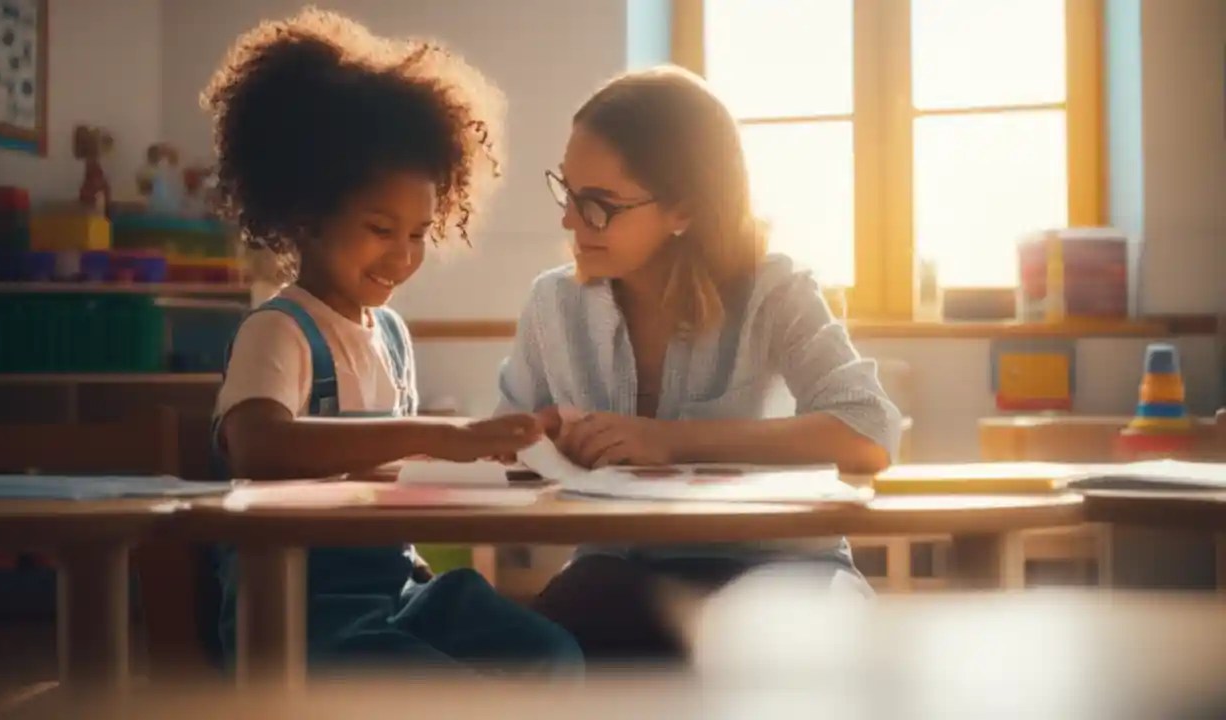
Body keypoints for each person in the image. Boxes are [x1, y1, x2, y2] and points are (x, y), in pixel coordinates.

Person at [204, 8, 580, 675]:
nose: (404, 256)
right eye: (381, 228)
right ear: (306, 215)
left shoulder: (394, 338)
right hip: (298, 613)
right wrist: (428, 433)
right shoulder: (278, 329)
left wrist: (505, 452)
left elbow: (392, 472)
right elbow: (258, 445)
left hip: (394, 593)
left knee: (551, 656)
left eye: (418, 233)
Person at [498, 66, 902, 660]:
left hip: (782, 567)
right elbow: (506, 447)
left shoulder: (773, 288)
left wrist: (673, 441)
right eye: (567, 191)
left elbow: (869, 430)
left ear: (684, 208)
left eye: (598, 205)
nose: (569, 221)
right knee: (542, 648)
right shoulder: (553, 303)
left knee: (783, 650)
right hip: (617, 570)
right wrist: (538, 440)